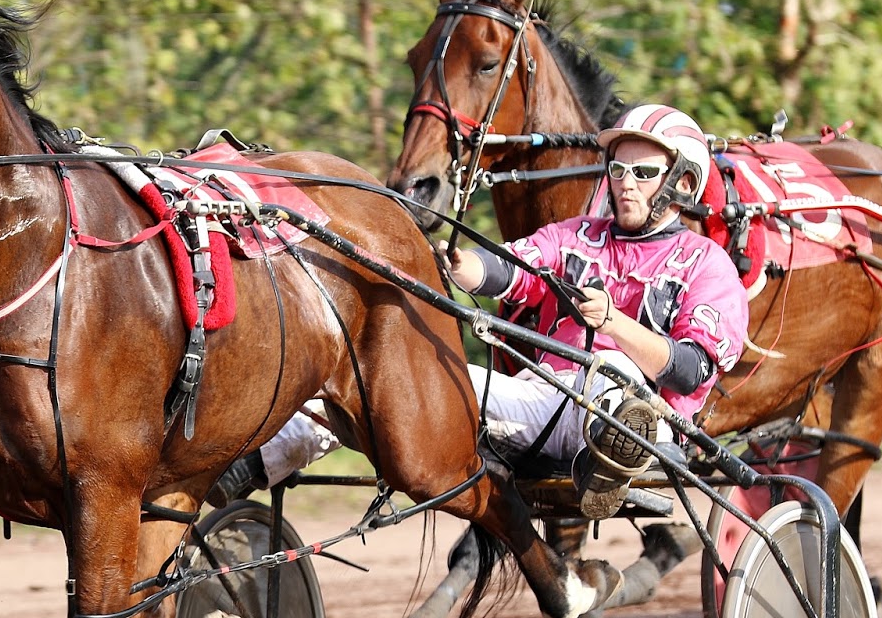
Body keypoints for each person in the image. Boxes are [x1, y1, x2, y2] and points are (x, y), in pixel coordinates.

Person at [209, 103, 750, 519]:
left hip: (644, 415)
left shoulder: (708, 264)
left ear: (682, 183)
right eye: (617, 169)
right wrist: (460, 265)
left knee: (618, 376)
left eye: (643, 172)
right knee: (378, 381)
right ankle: (252, 463)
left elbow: (689, 368)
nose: (624, 183)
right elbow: (511, 271)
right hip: (541, 403)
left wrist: (613, 323)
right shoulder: (577, 236)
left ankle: (610, 459)